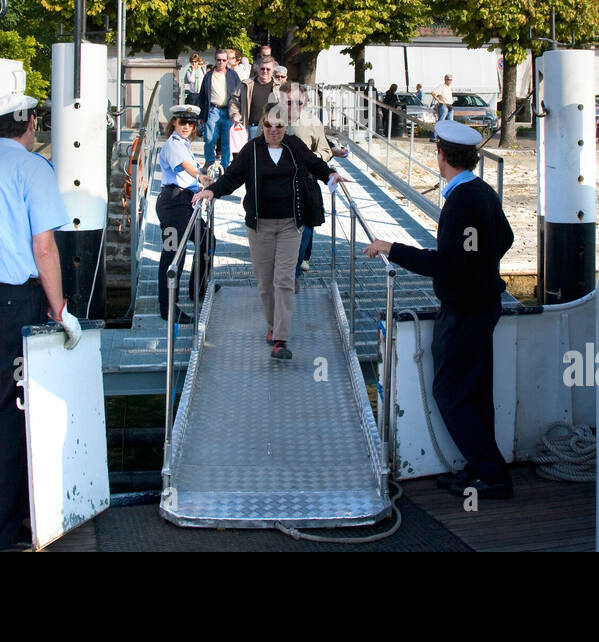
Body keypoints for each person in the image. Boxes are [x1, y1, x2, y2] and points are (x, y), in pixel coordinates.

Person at [0, 91, 79, 552]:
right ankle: (0, 533)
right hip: (12, 303)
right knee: (12, 413)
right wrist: (60, 309)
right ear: (29, 125)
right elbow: (43, 247)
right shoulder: (33, 170)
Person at [363, 120, 515, 499]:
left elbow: (449, 262)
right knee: (476, 393)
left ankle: (492, 476)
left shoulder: (462, 201)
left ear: (442, 155)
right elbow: (505, 238)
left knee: (449, 392)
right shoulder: (482, 192)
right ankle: (483, 469)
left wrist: (392, 248)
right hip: (483, 304)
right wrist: (481, 265)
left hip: (463, 310)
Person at [193, 105, 344, 360]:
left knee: (283, 280)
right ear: (262, 126)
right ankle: (273, 324)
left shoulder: (294, 146)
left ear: (285, 128)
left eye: (279, 126)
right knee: (265, 283)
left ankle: (281, 338)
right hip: (260, 224)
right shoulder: (252, 150)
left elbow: (314, 163)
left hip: (289, 224)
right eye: (268, 126)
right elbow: (232, 177)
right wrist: (212, 191)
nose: (273, 131)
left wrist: (331, 174)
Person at [157, 104, 213, 325]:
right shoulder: (173, 145)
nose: (187, 126)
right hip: (172, 204)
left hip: (184, 202)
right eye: (182, 122)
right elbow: (187, 167)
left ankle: (198, 288)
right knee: (173, 255)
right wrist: (201, 178)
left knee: (207, 239)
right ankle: (168, 307)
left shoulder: (185, 144)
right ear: (174, 123)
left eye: (191, 123)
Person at [286, 86, 348, 278]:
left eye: (298, 102)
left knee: (303, 232)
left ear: (305, 103)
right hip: (278, 188)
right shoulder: (271, 120)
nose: (293, 107)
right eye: (288, 102)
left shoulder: (313, 122)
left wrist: (313, 157)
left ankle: (295, 271)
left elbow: (326, 151)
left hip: (305, 183)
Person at [198, 50, 242, 168]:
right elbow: (202, 95)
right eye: (219, 60)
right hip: (213, 110)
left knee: (227, 142)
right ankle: (209, 162)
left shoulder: (233, 75)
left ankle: (225, 165)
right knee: (209, 139)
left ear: (227, 61)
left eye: (223, 60)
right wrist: (201, 116)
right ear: (215, 60)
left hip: (229, 111)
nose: (221, 62)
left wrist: (238, 112)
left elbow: (239, 94)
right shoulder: (208, 76)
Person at [232, 57, 281, 139]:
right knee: (254, 151)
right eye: (262, 69)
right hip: (252, 128)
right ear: (258, 69)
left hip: (273, 128)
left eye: (268, 69)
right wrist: (235, 114)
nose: (265, 71)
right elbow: (234, 100)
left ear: (273, 71)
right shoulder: (245, 85)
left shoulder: (279, 87)